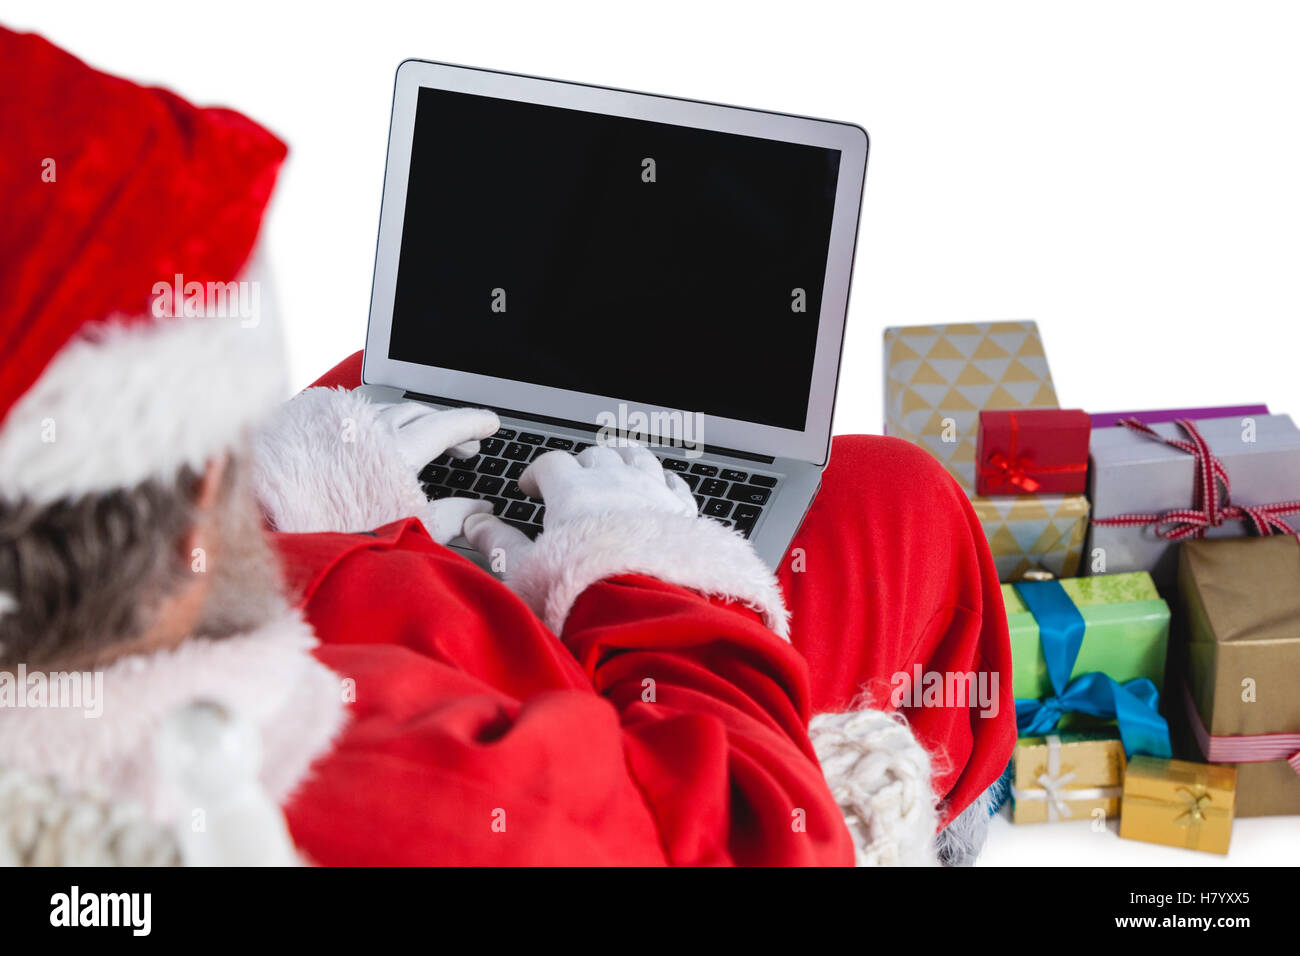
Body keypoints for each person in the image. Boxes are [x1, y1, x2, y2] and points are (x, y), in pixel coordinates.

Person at [0, 26, 1014, 866]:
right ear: (196, 486)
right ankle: (954, 806)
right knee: (902, 499)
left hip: (345, 617)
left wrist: (302, 526)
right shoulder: (440, 802)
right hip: (586, 683)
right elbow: (747, 840)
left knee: (384, 374)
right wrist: (656, 571)